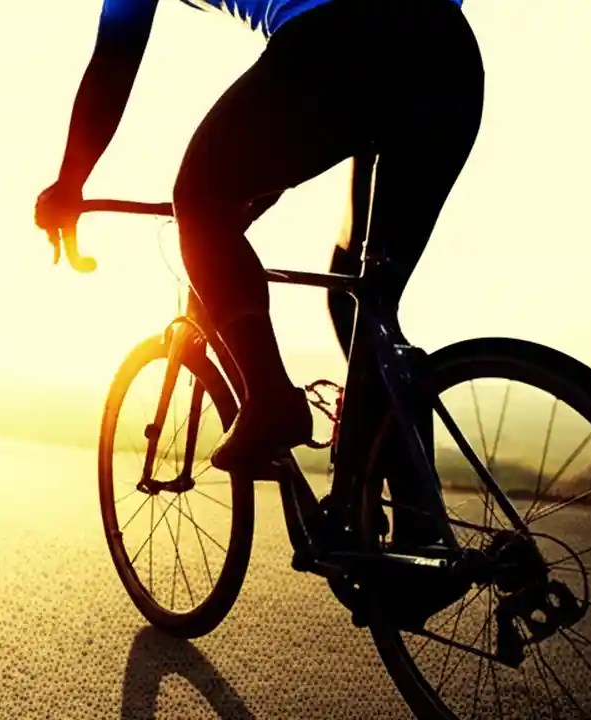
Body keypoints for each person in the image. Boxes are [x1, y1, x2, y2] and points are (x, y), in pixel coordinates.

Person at [34, 0, 484, 474]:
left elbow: (114, 59)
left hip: (344, 36)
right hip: (447, 54)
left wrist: (69, 185)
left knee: (199, 194)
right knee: (363, 305)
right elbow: (296, 131)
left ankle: (271, 400)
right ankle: (418, 513)